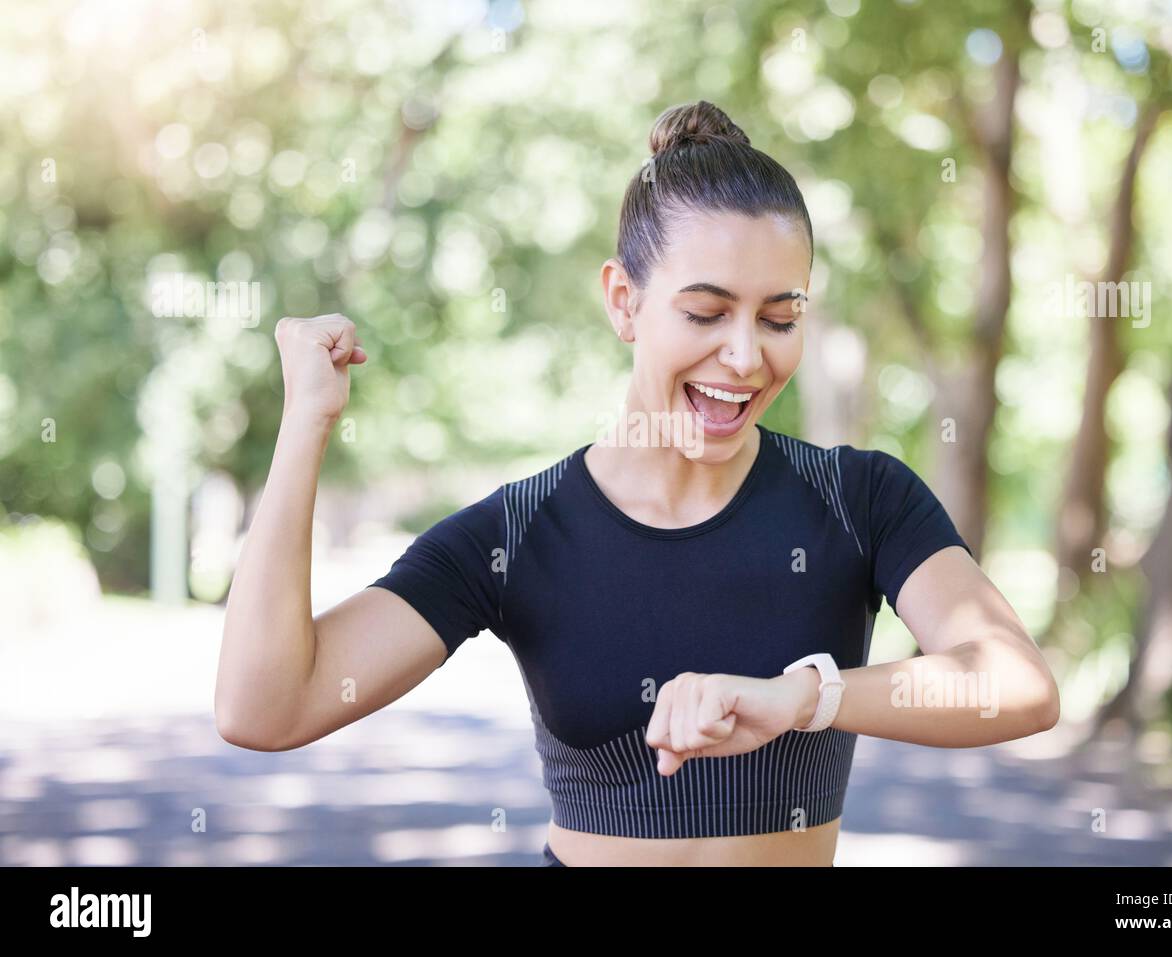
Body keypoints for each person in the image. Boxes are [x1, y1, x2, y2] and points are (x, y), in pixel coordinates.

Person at [215, 101, 1060, 867]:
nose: (744, 355)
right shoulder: (517, 535)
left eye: (778, 317)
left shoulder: (858, 500)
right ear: (624, 301)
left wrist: (804, 696)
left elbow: (1017, 685)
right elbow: (267, 708)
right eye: (704, 312)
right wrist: (305, 427)